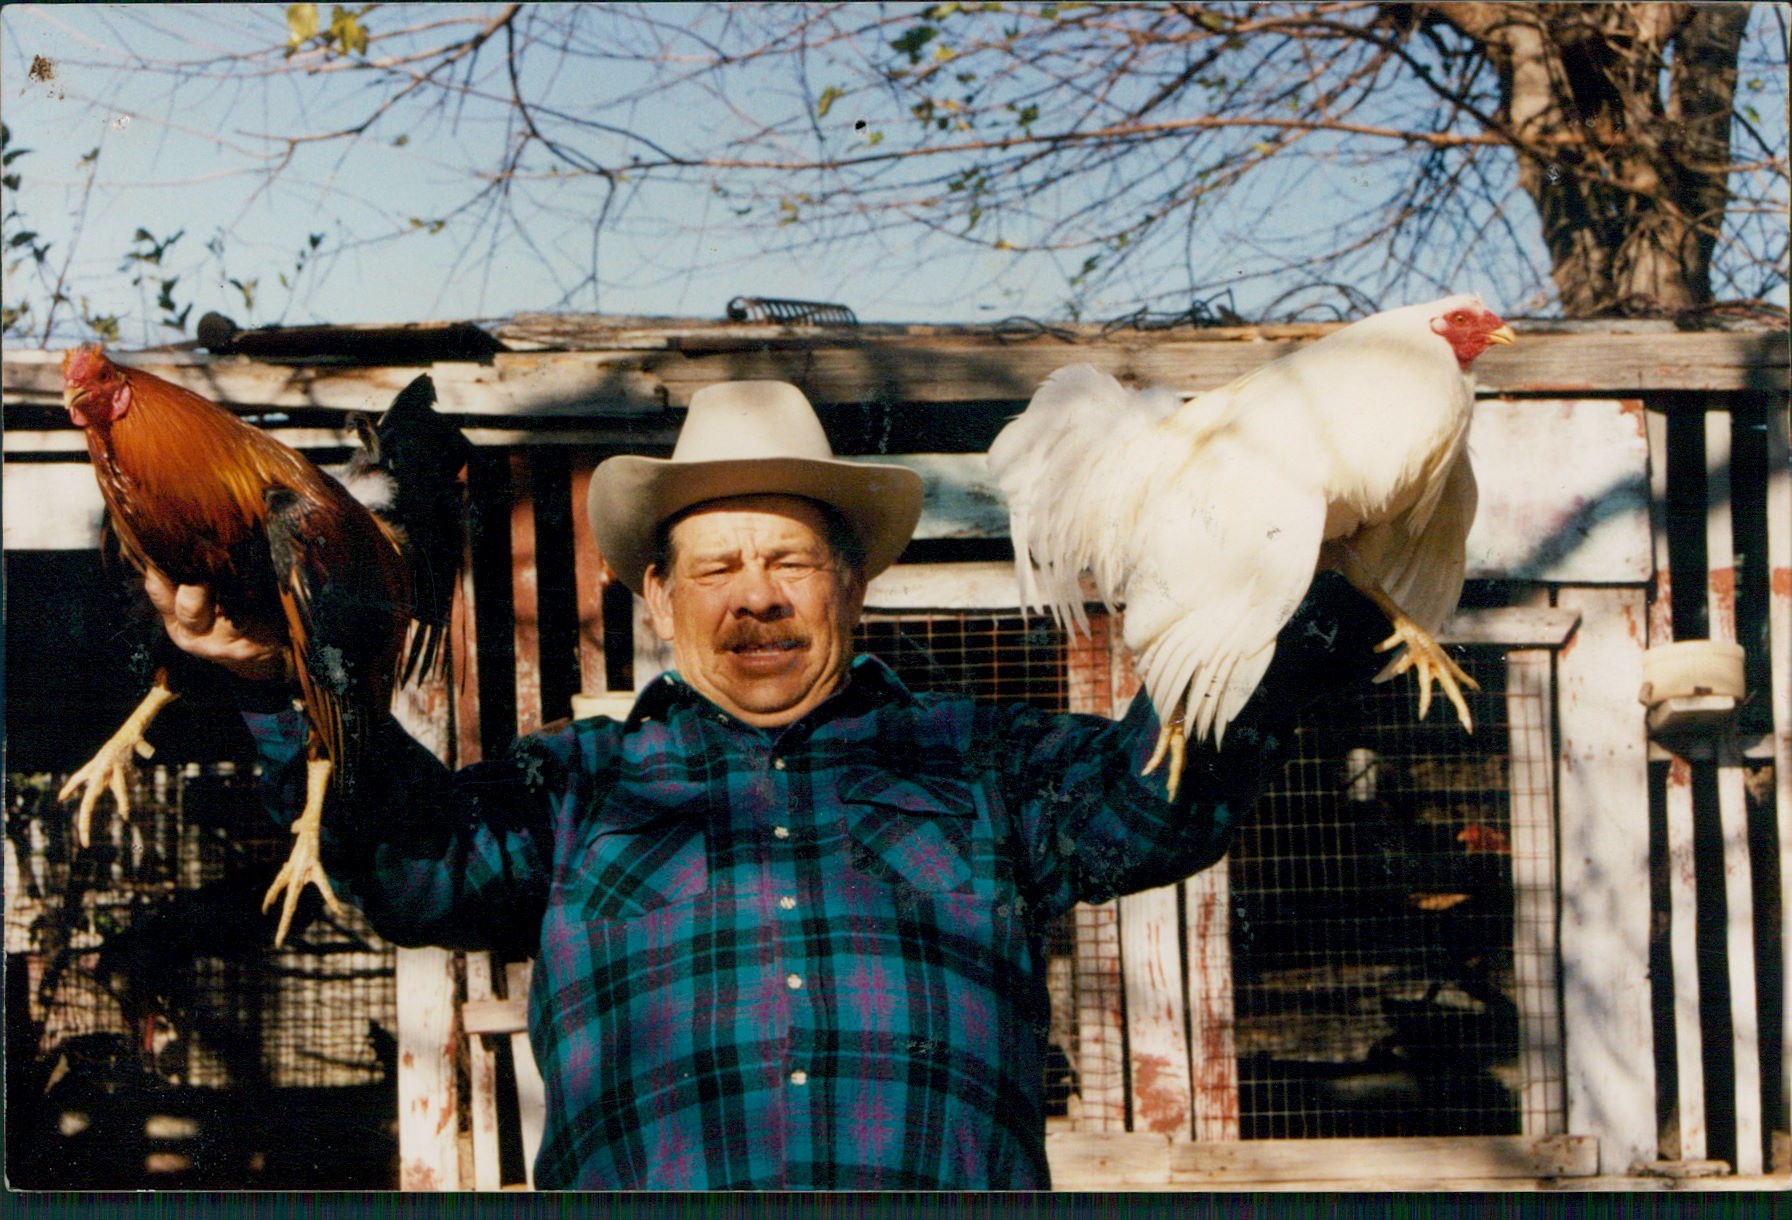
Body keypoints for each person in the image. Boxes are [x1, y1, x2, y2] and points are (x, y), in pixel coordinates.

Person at [150, 379, 1390, 1190]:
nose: (756, 594)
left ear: (853, 586)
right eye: (718, 566)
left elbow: (1156, 799)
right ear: (657, 597)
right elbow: (413, 869)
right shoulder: (573, 782)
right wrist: (282, 682)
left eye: (792, 558)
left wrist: (1289, 591)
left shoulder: (986, 763)